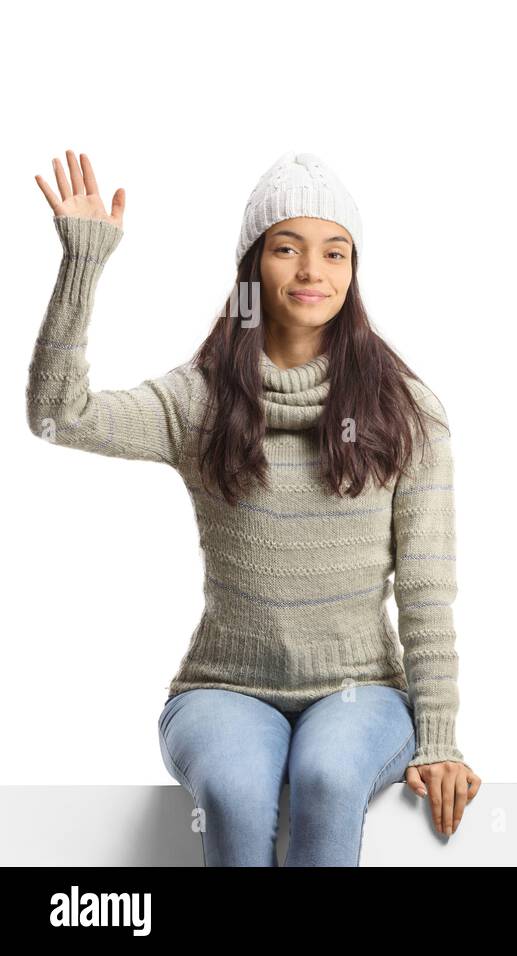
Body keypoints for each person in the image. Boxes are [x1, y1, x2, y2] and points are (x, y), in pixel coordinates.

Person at [28, 149, 480, 865]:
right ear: (253, 267)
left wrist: (441, 741)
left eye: (336, 253)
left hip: (361, 691)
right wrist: (84, 262)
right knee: (237, 793)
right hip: (224, 686)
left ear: (353, 272)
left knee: (329, 778)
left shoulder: (407, 411)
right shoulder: (200, 401)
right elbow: (58, 415)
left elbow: (427, 591)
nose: (312, 271)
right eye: (287, 248)